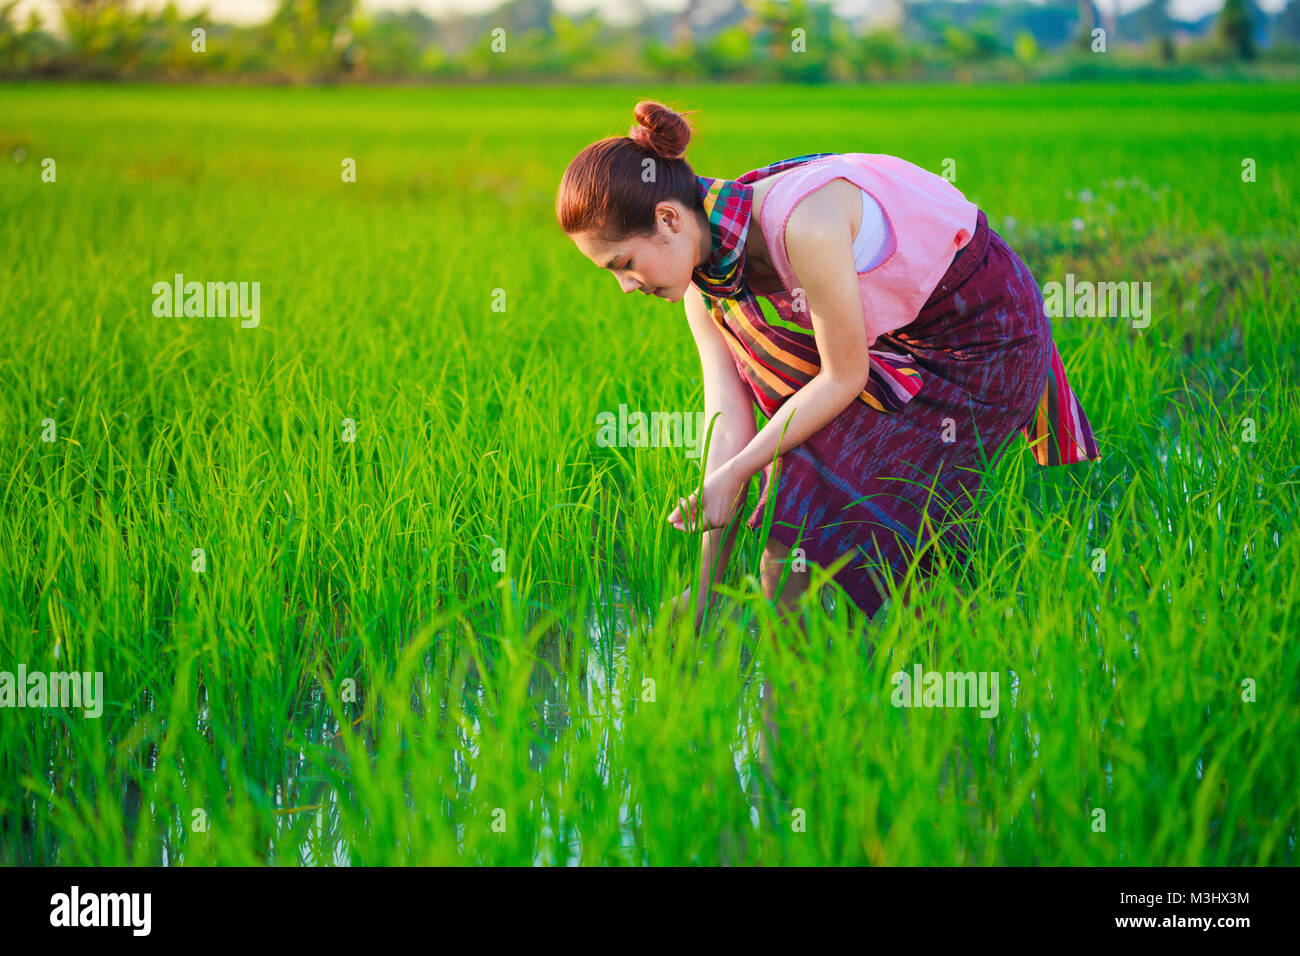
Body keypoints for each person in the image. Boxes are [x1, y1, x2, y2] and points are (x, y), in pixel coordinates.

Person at [556, 101, 1100, 631]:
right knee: (831, 526)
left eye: (624, 263)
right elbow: (728, 430)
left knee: (799, 521)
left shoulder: (803, 223)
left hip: (985, 343)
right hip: (901, 352)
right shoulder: (711, 290)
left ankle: (842, 680)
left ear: (669, 218)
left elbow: (843, 377)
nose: (626, 286)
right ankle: (929, 656)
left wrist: (742, 472)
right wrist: (702, 589)